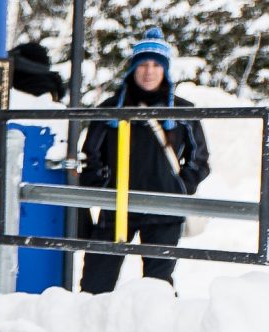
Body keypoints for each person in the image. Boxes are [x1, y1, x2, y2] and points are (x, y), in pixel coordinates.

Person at [78, 27, 210, 294]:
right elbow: (90, 156)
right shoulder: (110, 109)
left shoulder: (183, 112)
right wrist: (105, 186)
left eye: (155, 65)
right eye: (142, 64)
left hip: (164, 212)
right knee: (95, 283)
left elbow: (200, 159)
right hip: (117, 209)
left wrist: (179, 187)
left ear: (164, 69)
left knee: (157, 287)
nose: (149, 71)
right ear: (133, 68)